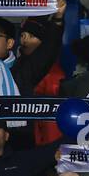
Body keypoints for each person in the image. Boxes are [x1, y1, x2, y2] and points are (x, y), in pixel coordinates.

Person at [20, 18, 65, 147]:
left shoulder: (53, 75)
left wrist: (49, 150)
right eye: (23, 35)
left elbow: (51, 125)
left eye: (32, 36)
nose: (25, 40)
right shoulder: (17, 67)